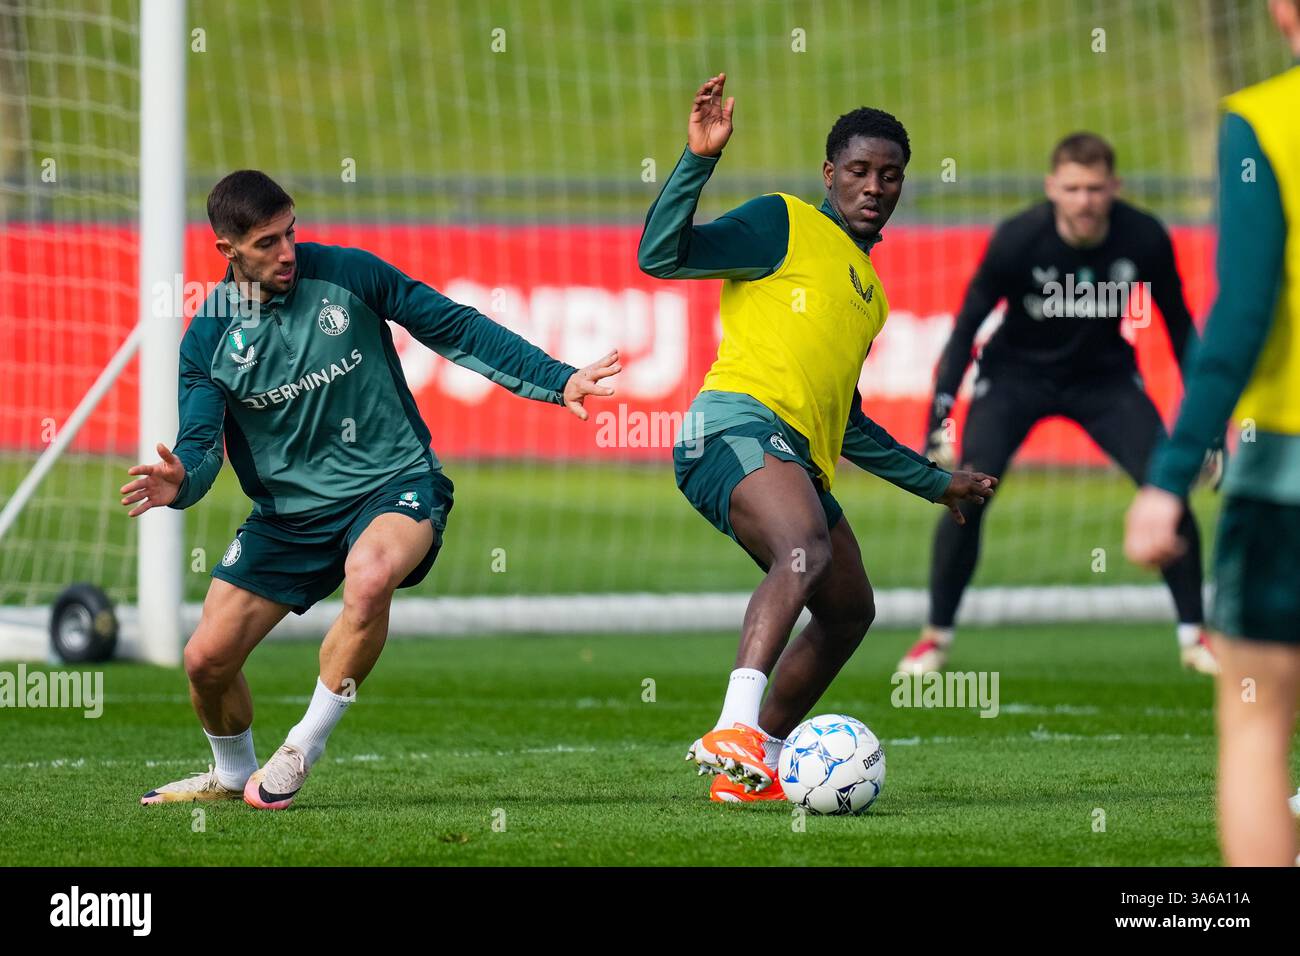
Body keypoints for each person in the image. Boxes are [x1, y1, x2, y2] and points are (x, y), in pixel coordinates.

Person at [124, 170, 618, 810]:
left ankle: (305, 743)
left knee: (370, 572)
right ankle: (228, 774)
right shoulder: (208, 339)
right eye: (269, 242)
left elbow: (455, 327)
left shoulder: (348, 274)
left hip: (392, 484)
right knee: (205, 661)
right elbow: (199, 442)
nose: (287, 252)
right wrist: (182, 481)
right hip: (288, 518)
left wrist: (557, 380)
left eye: (291, 233)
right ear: (227, 250)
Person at [638, 74, 995, 803]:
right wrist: (697, 159)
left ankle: (755, 765)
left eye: (890, 175)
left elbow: (849, 420)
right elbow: (660, 256)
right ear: (829, 174)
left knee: (849, 609)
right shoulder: (783, 221)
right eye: (859, 171)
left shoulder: (872, 293)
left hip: (798, 455)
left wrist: (937, 481)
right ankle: (733, 724)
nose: (875, 186)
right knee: (804, 547)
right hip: (730, 427)